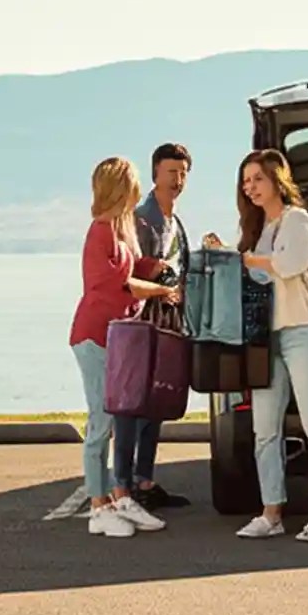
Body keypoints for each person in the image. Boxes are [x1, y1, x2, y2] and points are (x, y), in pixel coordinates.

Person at [204, 148, 308, 542]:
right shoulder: (257, 229)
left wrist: (244, 259)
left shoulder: (296, 220)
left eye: (257, 179)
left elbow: (288, 265)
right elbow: (253, 278)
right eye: (245, 182)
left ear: (276, 180)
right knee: (264, 430)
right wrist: (227, 256)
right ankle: (271, 513)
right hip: (265, 339)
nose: (250, 187)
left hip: (303, 331)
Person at [70, 155, 178, 538]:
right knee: (101, 423)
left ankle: (118, 498)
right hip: (94, 337)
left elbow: (132, 268)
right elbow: (124, 285)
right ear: (121, 189)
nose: (137, 193)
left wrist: (156, 267)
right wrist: (163, 291)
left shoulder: (118, 231)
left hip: (115, 338)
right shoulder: (100, 232)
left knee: (118, 417)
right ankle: (98, 507)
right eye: (132, 186)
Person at [119, 142, 194, 511]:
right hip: (142, 320)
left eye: (182, 173)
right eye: (171, 172)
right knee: (136, 401)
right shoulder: (141, 219)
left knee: (157, 401)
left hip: (168, 320)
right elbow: (129, 270)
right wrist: (160, 277)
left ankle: (144, 479)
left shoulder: (175, 222)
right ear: (155, 174)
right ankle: (127, 484)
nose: (177, 180)